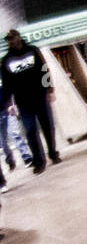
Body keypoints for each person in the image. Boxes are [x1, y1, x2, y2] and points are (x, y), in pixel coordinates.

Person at [1, 29, 60, 173]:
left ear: (19, 37)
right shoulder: (7, 60)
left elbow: (44, 69)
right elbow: (7, 84)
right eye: (8, 40)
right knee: (30, 131)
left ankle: (53, 153)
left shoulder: (33, 51)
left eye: (13, 38)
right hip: (23, 102)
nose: (11, 42)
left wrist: (50, 89)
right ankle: (39, 161)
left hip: (40, 96)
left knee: (48, 127)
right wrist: (9, 104)